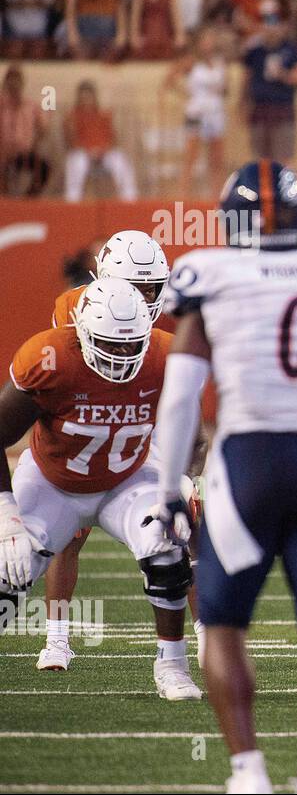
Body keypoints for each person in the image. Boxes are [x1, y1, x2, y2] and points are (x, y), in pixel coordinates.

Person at [147, 160, 297, 794]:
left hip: (245, 465)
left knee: (224, 626)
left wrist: (170, 487)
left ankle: (248, 771)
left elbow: (180, 397)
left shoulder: (213, 275)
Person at [0, 278, 201, 702]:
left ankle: (172, 665)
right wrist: (7, 520)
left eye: (132, 345)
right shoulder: (50, 357)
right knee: (10, 572)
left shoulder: (165, 354)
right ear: (83, 332)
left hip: (125, 478)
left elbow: (190, 429)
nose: (123, 355)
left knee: (165, 541)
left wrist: (177, 482)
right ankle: (55, 638)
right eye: (112, 343)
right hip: (53, 480)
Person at [39, 231, 177, 673]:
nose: (144, 297)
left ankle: (201, 643)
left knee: (181, 530)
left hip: (138, 426)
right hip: (90, 424)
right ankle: (57, 641)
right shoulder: (73, 310)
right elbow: (70, 373)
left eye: (152, 288)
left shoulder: (164, 328)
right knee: (67, 535)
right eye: (137, 287)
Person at [241, 11, 297, 164]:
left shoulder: (293, 50)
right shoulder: (255, 51)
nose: (271, 29)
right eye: (267, 24)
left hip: (282, 108)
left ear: (283, 27)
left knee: (283, 157)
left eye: (275, 25)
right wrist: (243, 102)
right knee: (260, 158)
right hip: (260, 108)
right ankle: (263, 187)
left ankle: (281, 187)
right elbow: (246, 78)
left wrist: (283, 74)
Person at [167, 26, 229, 198]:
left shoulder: (219, 62)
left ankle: (218, 195)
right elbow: (170, 80)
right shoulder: (191, 61)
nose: (208, 44)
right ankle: (184, 195)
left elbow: (225, 88)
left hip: (215, 113)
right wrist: (187, 95)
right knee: (191, 156)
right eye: (205, 40)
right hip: (196, 114)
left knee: (216, 159)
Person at [63, 80, 138, 201]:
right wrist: (88, 151)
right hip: (83, 153)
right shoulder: (71, 117)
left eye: (89, 97)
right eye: (83, 98)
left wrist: (102, 150)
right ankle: (72, 201)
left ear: (94, 97)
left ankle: (129, 200)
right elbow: (71, 142)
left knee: (120, 160)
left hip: (104, 152)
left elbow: (112, 140)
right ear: (78, 99)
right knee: (77, 162)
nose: (86, 101)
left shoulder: (104, 115)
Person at [0, 64, 48, 197]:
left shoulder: (31, 105)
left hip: (24, 153)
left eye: (17, 80)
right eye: (11, 80)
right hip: (3, 152)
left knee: (43, 167)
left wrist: (33, 146)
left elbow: (43, 128)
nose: (14, 84)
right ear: (5, 83)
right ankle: (5, 201)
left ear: (22, 83)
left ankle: (27, 200)